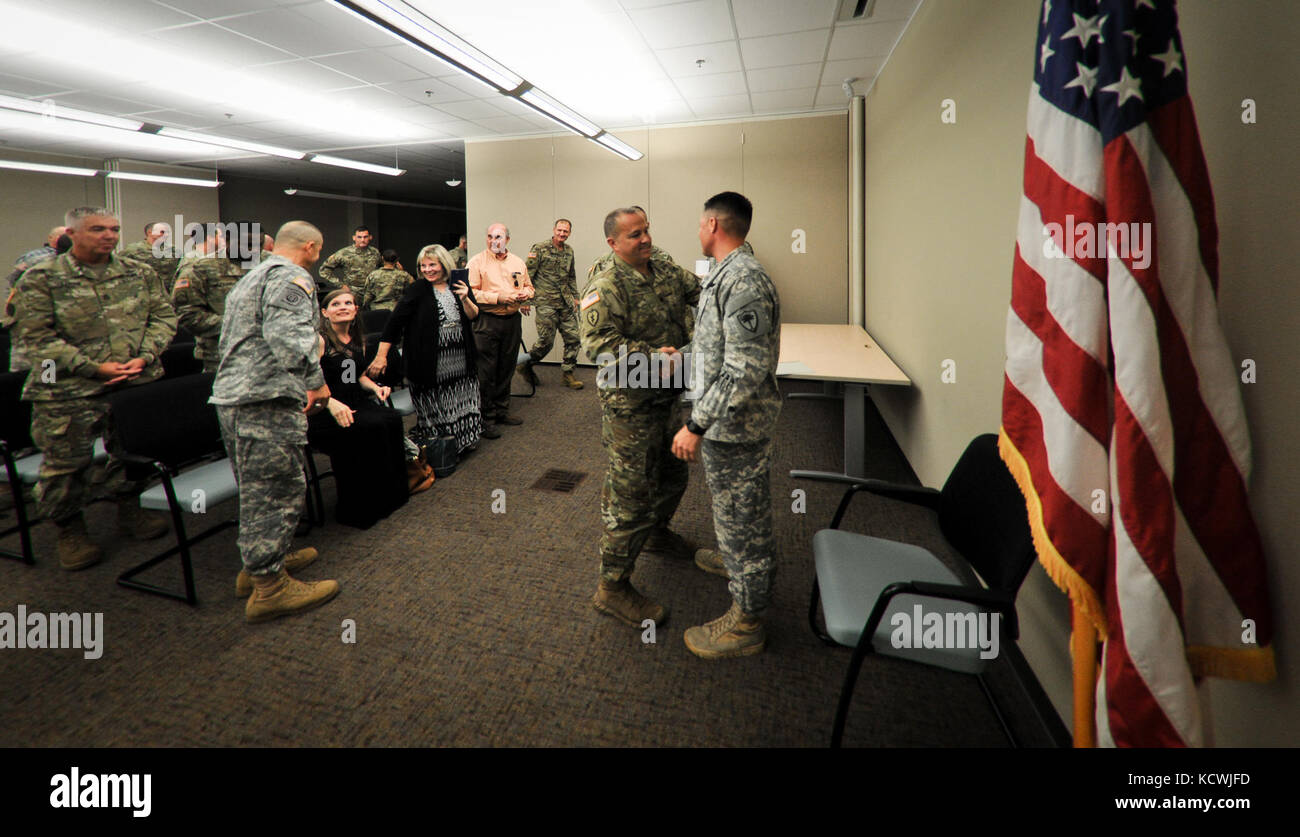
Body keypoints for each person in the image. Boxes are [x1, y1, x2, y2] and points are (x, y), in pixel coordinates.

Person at [7, 207, 176, 570]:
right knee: (67, 464)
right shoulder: (41, 278)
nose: (109, 235)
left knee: (131, 450)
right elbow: (33, 337)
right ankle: (70, 528)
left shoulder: (139, 272)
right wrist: (93, 368)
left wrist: (145, 357)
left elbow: (163, 317)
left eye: (114, 228)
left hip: (134, 380)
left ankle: (130, 509)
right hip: (68, 387)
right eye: (98, 229)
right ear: (73, 233)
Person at [210, 220, 339, 623]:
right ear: (312, 247)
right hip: (264, 399)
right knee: (277, 485)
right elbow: (290, 340)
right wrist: (317, 384)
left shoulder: (252, 276)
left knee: (257, 487)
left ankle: (262, 564)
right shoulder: (292, 277)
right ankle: (270, 587)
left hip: (237, 397)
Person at [580, 207, 702, 629]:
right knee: (630, 495)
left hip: (667, 397)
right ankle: (611, 588)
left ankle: (657, 534)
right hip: (630, 405)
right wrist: (653, 357)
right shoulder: (607, 284)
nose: (645, 239)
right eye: (635, 235)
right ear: (614, 243)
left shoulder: (663, 267)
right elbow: (598, 348)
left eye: (646, 230)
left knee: (673, 473)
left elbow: (698, 290)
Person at [671, 192, 781, 659]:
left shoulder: (745, 280)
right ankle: (736, 562)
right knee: (731, 509)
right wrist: (685, 355)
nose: (698, 230)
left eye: (700, 223)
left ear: (713, 224)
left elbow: (743, 368)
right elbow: (716, 341)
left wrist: (695, 424)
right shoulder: (726, 273)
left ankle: (748, 619)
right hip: (724, 422)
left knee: (743, 514)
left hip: (734, 424)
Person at [309, 288, 420, 527]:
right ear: (325, 312)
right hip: (326, 408)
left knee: (390, 420)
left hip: (355, 400)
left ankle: (390, 497)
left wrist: (375, 388)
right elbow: (308, 384)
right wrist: (331, 403)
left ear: (356, 309)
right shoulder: (319, 341)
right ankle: (360, 508)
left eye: (348, 303)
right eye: (336, 304)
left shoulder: (355, 338)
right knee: (368, 429)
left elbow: (355, 376)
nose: (343, 307)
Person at [369, 244, 482, 453]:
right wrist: (381, 356)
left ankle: (463, 442)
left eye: (433, 265)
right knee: (437, 404)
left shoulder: (457, 284)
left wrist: (465, 297)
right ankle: (442, 449)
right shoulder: (418, 289)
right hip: (430, 361)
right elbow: (395, 323)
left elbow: (474, 315)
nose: (428, 269)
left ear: (444, 264)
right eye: (423, 265)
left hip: (460, 359)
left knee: (462, 399)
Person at [466, 223, 532, 436]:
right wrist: (498, 297)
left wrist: (526, 295)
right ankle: (486, 418)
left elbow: (529, 286)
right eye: (489, 236)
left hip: (512, 321)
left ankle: (502, 411)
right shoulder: (476, 262)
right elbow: (470, 293)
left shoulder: (518, 262)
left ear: (507, 240)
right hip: (487, 320)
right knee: (486, 371)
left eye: (498, 237)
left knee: (506, 367)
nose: (493, 241)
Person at [519, 219, 583, 390]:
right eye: (560, 230)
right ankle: (525, 363)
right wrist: (525, 300)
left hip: (565, 302)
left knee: (574, 338)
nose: (562, 234)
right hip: (545, 302)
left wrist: (576, 298)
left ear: (569, 233)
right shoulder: (539, 248)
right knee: (546, 341)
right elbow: (527, 275)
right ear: (554, 230)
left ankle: (568, 374)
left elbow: (571, 276)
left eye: (566, 231)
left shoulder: (569, 251)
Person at [171, 224, 244, 372]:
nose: (224, 240)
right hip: (214, 347)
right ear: (210, 238)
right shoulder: (195, 264)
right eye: (220, 236)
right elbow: (186, 311)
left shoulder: (217, 261)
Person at [120, 221, 181, 294]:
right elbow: (119, 267)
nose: (166, 235)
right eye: (162, 232)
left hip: (167, 292)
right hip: (143, 292)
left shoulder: (173, 250)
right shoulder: (133, 250)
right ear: (150, 232)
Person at [318, 226, 380, 293]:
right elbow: (324, 271)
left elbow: (381, 269)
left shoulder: (375, 252)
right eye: (359, 237)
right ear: (354, 238)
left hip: (372, 292)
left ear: (370, 237)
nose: (362, 240)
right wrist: (340, 285)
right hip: (353, 292)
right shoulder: (344, 253)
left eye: (365, 237)